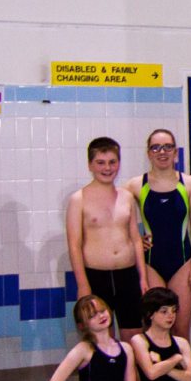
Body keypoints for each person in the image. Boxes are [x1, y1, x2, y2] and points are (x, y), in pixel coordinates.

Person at [126, 129, 191, 341]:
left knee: (181, 329)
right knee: (154, 329)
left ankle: (183, 364)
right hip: (152, 263)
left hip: (183, 262)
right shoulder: (135, 185)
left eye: (168, 147)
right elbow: (117, 216)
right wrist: (134, 240)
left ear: (175, 152)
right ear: (148, 153)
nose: (162, 152)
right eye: (156, 148)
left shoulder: (189, 184)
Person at [66, 137, 147, 340]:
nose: (107, 168)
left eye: (112, 162)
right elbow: (74, 245)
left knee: (134, 336)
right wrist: (83, 284)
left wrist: (143, 278)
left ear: (119, 163)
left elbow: (136, 239)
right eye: (100, 162)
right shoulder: (79, 199)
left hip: (127, 275)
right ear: (90, 165)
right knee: (103, 338)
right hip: (96, 276)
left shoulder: (126, 197)